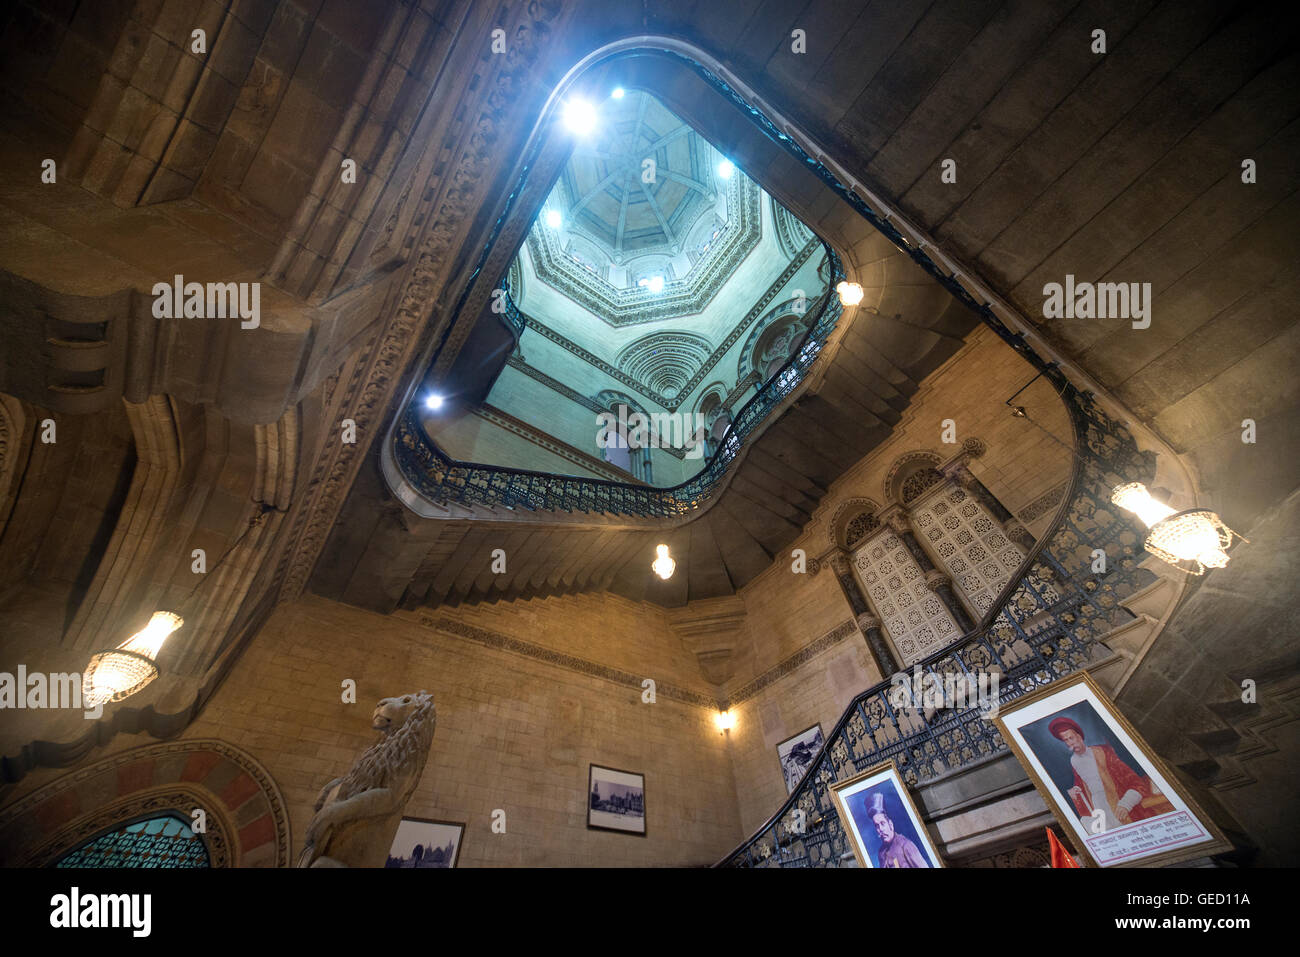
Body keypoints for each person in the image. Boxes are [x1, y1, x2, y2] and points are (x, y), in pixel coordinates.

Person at [1049, 716, 1174, 830]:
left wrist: (1126, 804)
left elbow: (1136, 782)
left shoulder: (1104, 752)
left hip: (1120, 806)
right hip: (1099, 813)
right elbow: (1082, 787)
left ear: (1079, 736)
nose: (1070, 743)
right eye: (1066, 740)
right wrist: (1075, 791)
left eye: (1071, 738)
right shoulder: (1073, 761)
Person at [866, 791, 929, 868]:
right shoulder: (881, 853)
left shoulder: (906, 846)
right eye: (877, 826)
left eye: (883, 823)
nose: (881, 829)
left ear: (890, 824)